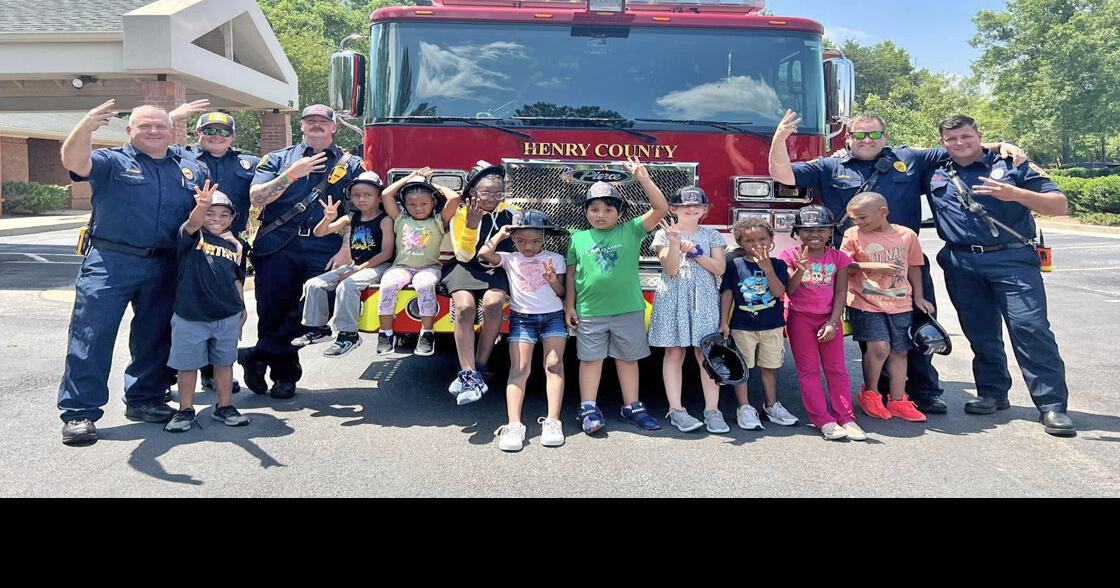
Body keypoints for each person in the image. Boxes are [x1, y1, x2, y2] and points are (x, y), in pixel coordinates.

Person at [769, 111, 1027, 415]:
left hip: (906, 261)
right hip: (856, 265)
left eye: (874, 134)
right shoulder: (829, 165)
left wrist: (999, 147)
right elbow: (781, 175)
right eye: (859, 135)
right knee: (871, 333)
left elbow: (958, 147)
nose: (867, 140)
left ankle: (923, 391)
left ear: (885, 136)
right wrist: (779, 138)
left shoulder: (910, 157)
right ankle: (876, 392)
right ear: (847, 137)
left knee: (916, 326)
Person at [57, 100, 211, 445]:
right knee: (91, 336)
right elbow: (75, 162)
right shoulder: (112, 161)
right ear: (130, 131)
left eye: (160, 126)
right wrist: (84, 126)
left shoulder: (190, 168)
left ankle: (145, 399)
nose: (153, 132)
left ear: (172, 130)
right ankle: (80, 412)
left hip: (166, 263)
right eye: (144, 126)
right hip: (111, 261)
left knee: (155, 336)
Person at [925, 115, 1075, 436]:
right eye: (951, 139)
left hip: (1012, 259)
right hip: (960, 261)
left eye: (966, 137)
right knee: (980, 332)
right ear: (942, 143)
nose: (959, 144)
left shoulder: (1012, 164)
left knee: (1031, 329)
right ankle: (993, 393)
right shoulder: (936, 168)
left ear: (979, 135)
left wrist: (1016, 194)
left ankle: (1052, 406)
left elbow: (1059, 204)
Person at [239, 105, 364, 400]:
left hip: (325, 246)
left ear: (334, 127)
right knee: (273, 310)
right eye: (311, 121)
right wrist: (291, 176)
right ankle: (284, 376)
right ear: (302, 126)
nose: (317, 125)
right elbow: (256, 197)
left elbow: (359, 208)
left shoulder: (353, 164)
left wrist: (347, 247)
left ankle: (257, 354)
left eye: (323, 121)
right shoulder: (279, 159)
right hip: (277, 243)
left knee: (317, 308)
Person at [565, 157, 670, 434]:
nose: (601, 214)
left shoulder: (632, 230)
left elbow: (661, 208)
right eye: (595, 209)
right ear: (586, 212)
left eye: (609, 209)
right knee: (590, 360)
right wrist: (569, 306)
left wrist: (643, 179)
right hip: (589, 311)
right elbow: (571, 276)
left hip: (628, 309)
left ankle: (632, 406)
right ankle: (588, 406)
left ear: (620, 213)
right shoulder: (577, 238)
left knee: (628, 358)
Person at [478, 211, 568, 451]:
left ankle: (552, 421)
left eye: (536, 241)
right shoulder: (510, 258)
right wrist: (499, 235)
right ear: (514, 238)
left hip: (554, 317)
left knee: (554, 365)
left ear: (544, 239)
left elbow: (561, 292)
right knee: (518, 369)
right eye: (522, 241)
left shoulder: (556, 259)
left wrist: (551, 279)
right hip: (522, 319)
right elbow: (484, 254)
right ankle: (514, 424)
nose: (529, 247)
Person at [840, 192, 933, 423]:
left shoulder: (907, 235)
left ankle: (898, 399)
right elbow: (843, 264)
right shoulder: (853, 234)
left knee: (900, 351)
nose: (858, 223)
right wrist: (873, 266)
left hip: (901, 302)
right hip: (866, 302)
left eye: (862, 218)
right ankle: (870, 394)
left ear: (883, 212)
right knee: (879, 348)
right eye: (854, 219)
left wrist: (919, 297)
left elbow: (914, 267)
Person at [165, 185, 250, 432]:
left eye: (224, 215)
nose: (216, 219)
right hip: (191, 314)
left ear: (233, 218)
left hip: (227, 314)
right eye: (210, 213)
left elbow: (237, 278)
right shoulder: (191, 236)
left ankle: (224, 407)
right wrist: (202, 206)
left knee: (224, 363)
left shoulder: (237, 245)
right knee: (187, 365)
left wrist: (241, 308)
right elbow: (192, 223)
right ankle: (185, 410)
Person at [780, 206, 866, 442]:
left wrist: (833, 322)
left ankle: (846, 418)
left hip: (828, 319)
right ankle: (823, 420)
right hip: (799, 319)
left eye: (821, 229)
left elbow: (841, 293)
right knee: (808, 371)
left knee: (837, 370)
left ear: (831, 232)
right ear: (797, 232)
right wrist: (800, 269)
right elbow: (790, 289)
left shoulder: (839, 258)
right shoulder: (788, 255)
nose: (814, 234)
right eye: (806, 230)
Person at [648, 186, 729, 434]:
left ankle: (712, 410)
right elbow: (671, 270)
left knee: (706, 353)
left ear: (705, 210)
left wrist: (695, 252)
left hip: (703, 299)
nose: (691, 209)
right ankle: (676, 409)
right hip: (673, 298)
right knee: (673, 352)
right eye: (684, 206)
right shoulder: (663, 235)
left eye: (697, 206)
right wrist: (674, 243)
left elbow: (719, 269)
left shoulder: (713, 236)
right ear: (673, 209)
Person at [292, 171, 395, 358]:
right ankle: (319, 329)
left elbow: (386, 253)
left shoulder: (385, 220)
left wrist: (355, 271)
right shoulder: (351, 218)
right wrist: (327, 218)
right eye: (356, 195)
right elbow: (320, 232)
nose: (361, 199)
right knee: (313, 285)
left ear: (379, 197)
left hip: (379, 266)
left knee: (347, 285)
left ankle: (349, 334)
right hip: (356, 266)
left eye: (367, 195)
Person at [443, 161, 518, 401]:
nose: (492, 198)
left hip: (495, 266)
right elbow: (463, 255)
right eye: (486, 193)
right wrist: (472, 227)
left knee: (493, 303)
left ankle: (480, 365)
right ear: (473, 192)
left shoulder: (512, 212)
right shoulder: (461, 214)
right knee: (464, 307)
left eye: (498, 193)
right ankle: (467, 373)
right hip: (464, 266)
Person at [719, 217, 799, 431]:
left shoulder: (778, 264)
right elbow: (727, 294)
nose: (758, 244)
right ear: (740, 243)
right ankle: (744, 407)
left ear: (772, 239)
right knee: (743, 368)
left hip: (771, 325)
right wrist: (723, 322)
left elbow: (779, 292)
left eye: (763, 239)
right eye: (750, 240)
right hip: (742, 325)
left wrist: (767, 269)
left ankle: (771, 406)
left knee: (769, 367)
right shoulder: (734, 265)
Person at [375, 168, 462, 356]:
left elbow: (454, 199)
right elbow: (386, 194)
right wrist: (410, 178)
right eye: (412, 204)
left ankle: (427, 334)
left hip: (429, 268)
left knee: (425, 285)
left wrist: (432, 185)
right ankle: (386, 334)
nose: (418, 207)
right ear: (404, 205)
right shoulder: (399, 219)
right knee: (388, 284)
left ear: (433, 203)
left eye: (424, 203)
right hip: (402, 267)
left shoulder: (439, 222)